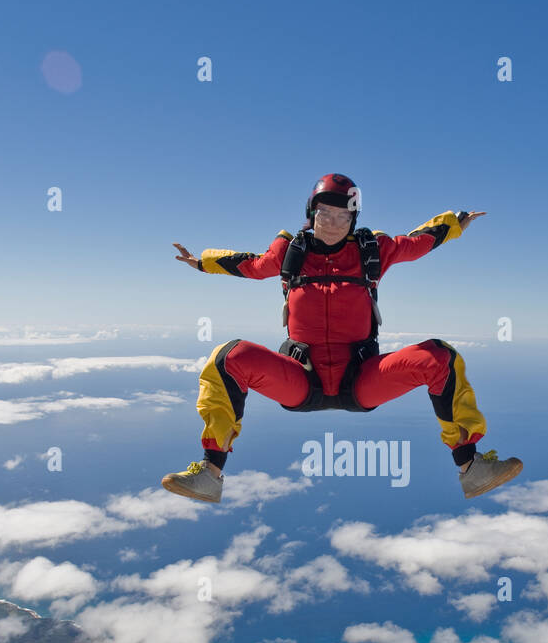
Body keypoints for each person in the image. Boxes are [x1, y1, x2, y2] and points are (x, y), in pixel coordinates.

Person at [165, 173, 523, 503]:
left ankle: (471, 466)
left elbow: (417, 242)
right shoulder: (291, 252)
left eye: (343, 216)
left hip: (360, 379)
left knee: (439, 359)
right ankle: (210, 473)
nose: (333, 224)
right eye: (324, 214)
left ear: (354, 218)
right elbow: (252, 265)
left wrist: (454, 222)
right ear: (311, 214)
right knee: (228, 357)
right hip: (301, 378)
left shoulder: (372, 250)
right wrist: (202, 262)